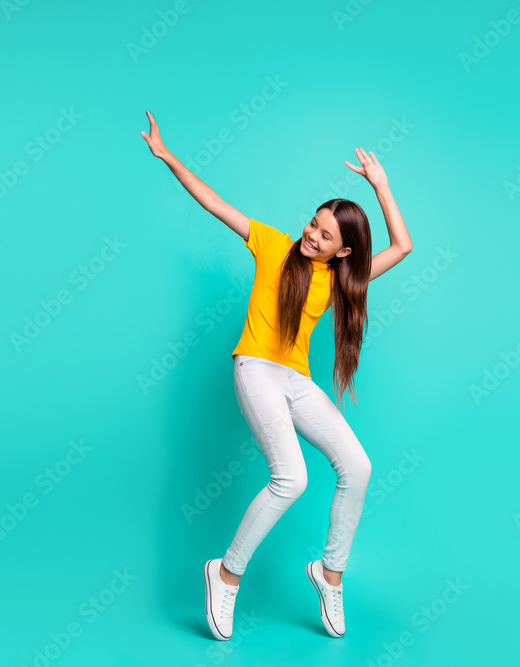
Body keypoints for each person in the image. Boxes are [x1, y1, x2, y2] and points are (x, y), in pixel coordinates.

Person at [141, 110, 413, 640]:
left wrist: (381, 187)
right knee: (292, 477)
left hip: (295, 380)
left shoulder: (339, 281)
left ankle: (329, 574)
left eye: (326, 233)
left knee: (357, 466)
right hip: (255, 369)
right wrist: (169, 156)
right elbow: (214, 203)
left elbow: (403, 247)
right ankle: (225, 573)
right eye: (313, 222)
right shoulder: (271, 244)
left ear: (345, 250)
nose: (312, 234)